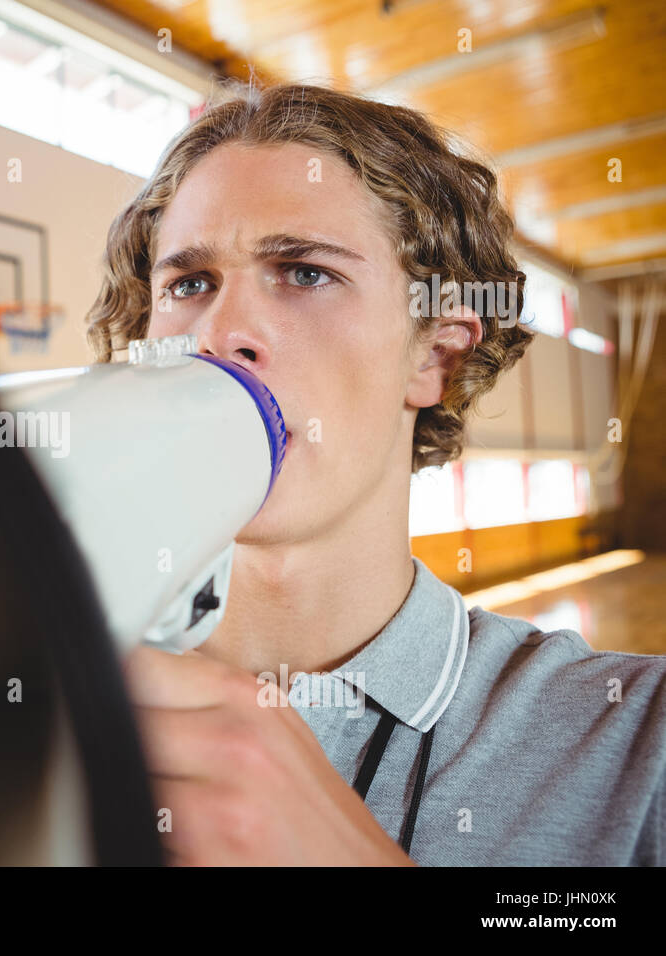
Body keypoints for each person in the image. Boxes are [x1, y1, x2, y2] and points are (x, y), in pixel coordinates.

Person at [86, 80, 666, 865]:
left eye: (302, 272)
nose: (221, 333)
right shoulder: (37, 692)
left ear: (434, 354)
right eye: (189, 284)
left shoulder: (636, 745)